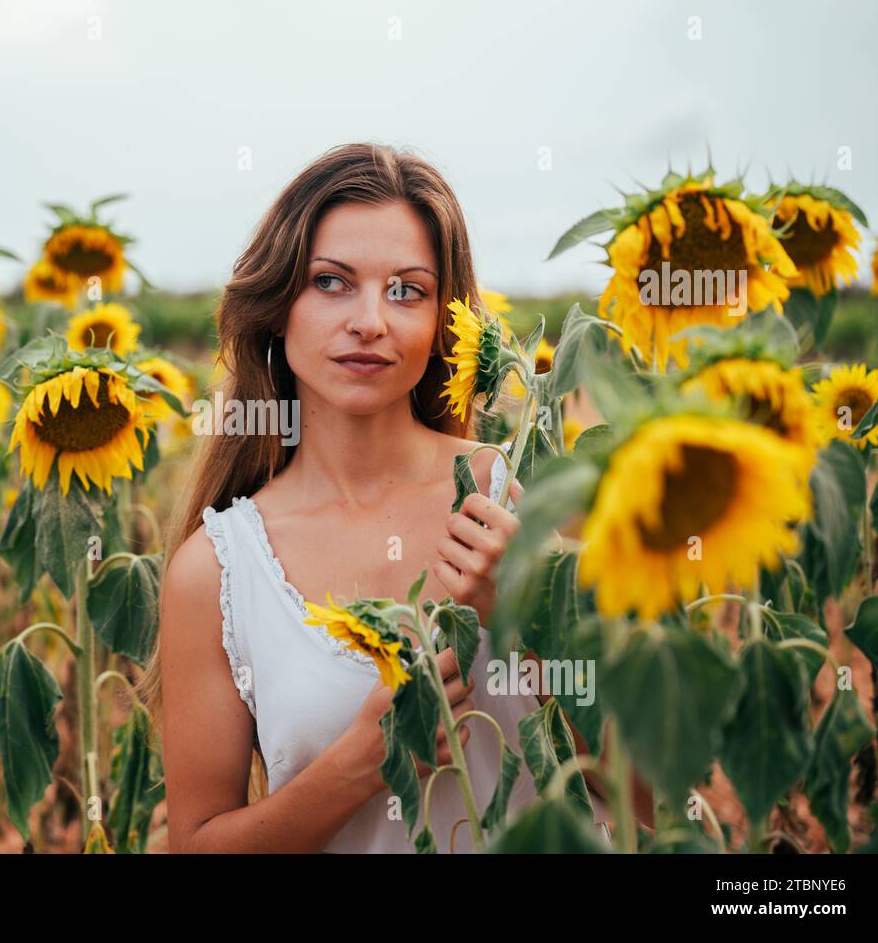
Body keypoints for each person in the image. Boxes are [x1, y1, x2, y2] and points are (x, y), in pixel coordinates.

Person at [139, 142, 623, 853]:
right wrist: (358, 766)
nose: (371, 319)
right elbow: (198, 843)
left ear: (442, 326)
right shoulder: (217, 572)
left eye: (407, 290)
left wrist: (530, 614)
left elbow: (645, 787)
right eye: (332, 282)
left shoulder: (527, 499)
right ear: (279, 307)